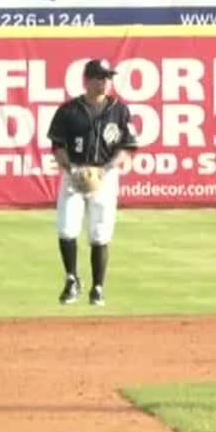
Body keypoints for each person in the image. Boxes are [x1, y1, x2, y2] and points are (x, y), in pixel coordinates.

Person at [46, 58, 140, 307]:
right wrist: (72, 169)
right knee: (66, 229)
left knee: (100, 233)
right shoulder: (68, 110)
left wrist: (107, 169)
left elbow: (126, 146)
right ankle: (71, 279)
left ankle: (98, 287)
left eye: (108, 77)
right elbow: (57, 146)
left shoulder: (120, 109)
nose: (105, 82)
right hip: (74, 174)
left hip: (105, 176)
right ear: (86, 80)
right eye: (100, 77)